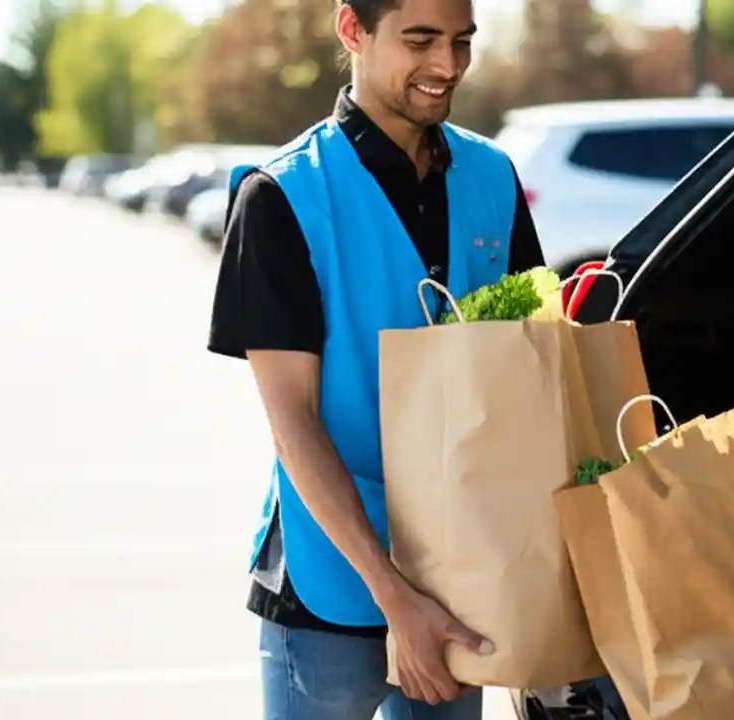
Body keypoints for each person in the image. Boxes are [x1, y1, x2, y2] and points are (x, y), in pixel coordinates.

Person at [207, 0, 546, 717]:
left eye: (461, 42)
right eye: (420, 40)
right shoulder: (281, 197)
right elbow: (292, 424)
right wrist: (396, 598)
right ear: (352, 30)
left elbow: (528, 382)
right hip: (333, 579)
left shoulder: (493, 178)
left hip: (464, 574)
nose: (447, 66)